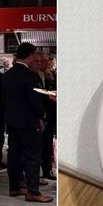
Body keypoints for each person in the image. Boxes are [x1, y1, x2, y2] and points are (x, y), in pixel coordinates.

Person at [2, 43, 52, 202]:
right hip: (29, 122)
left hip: (12, 120)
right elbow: (34, 101)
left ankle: (14, 187)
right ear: (30, 55)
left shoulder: (7, 75)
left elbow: (4, 98)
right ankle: (33, 191)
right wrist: (41, 116)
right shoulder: (31, 76)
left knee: (14, 154)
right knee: (32, 156)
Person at [39, 51, 57, 181]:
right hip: (39, 116)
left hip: (50, 116)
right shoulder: (34, 77)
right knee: (38, 146)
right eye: (44, 61)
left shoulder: (49, 76)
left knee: (48, 144)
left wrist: (52, 81)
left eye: (48, 61)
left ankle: (47, 170)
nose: (47, 63)